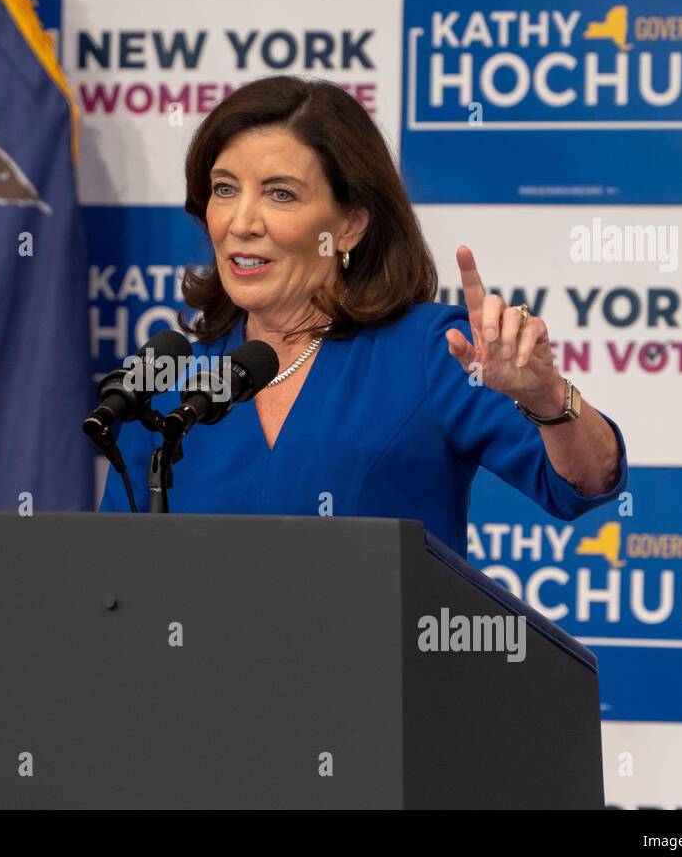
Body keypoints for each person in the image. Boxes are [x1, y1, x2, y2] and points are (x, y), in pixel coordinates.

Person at [98, 75, 626, 556]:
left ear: (350, 226)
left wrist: (548, 400)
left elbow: (587, 481)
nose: (241, 222)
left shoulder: (430, 351)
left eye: (280, 194)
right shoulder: (169, 380)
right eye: (224, 189)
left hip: (385, 662)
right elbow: (114, 573)